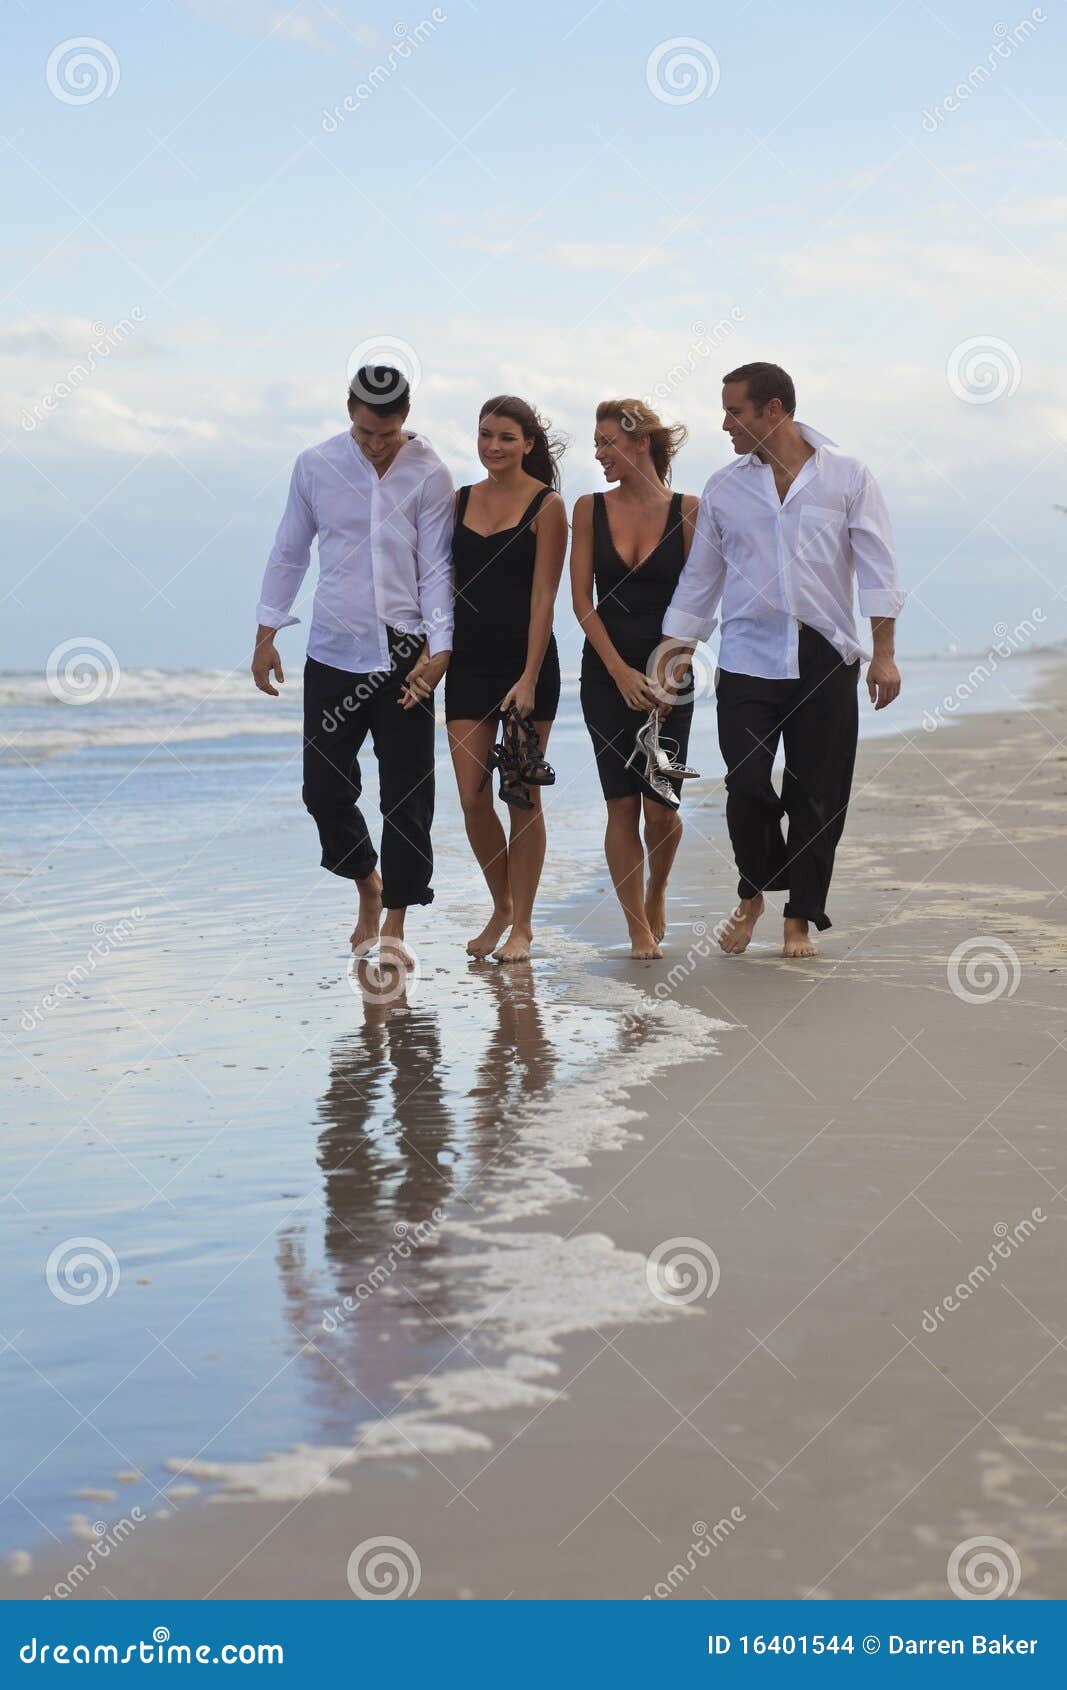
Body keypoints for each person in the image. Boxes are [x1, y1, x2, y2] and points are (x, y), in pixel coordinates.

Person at [660, 361, 904, 959]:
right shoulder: (724, 485)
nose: (724, 423)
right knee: (745, 782)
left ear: (774, 411)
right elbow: (701, 578)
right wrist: (675, 653)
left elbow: (877, 566)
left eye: (734, 411)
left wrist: (884, 655)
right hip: (746, 653)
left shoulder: (846, 476)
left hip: (825, 653)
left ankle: (799, 916)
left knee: (816, 792)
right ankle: (755, 890)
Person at [252, 364, 454, 968]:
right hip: (334, 649)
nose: (374, 445)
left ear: (405, 420)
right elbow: (289, 549)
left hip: (403, 650)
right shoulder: (316, 465)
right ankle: (368, 881)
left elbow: (438, 568)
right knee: (323, 788)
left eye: (386, 435)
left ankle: (395, 919)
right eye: (365, 432)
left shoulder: (430, 472)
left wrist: (439, 649)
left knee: (407, 790)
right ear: (349, 410)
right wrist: (267, 633)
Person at [571, 399, 700, 960]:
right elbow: (580, 600)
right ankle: (636, 928)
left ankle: (659, 887)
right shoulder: (588, 509)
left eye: (608, 443)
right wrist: (619, 671)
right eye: (596, 444)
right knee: (622, 805)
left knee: (661, 807)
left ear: (641, 442)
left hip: (671, 672)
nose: (599, 454)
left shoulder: (691, 511)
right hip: (605, 675)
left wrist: (669, 674)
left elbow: (700, 599)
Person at [445, 396, 568, 963]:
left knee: (521, 798)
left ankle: (524, 924)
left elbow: (545, 597)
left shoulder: (548, 506)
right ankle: (502, 905)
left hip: (527, 667)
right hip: (468, 664)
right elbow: (439, 588)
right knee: (472, 798)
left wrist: (528, 677)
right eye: (485, 434)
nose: (493, 446)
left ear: (528, 444)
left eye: (506, 437)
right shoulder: (458, 501)